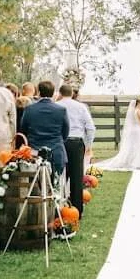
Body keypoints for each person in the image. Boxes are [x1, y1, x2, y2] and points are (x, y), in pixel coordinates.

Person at [57, 83, 96, 217]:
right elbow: (90, 127)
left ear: (60, 93)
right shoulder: (81, 107)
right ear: (72, 93)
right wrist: (88, 145)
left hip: (61, 142)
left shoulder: (57, 105)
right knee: (76, 176)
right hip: (76, 142)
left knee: (60, 174)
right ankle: (77, 210)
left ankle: (59, 207)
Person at [19, 79, 69, 177]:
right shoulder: (61, 110)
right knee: (56, 183)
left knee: (35, 184)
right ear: (53, 93)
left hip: (34, 152)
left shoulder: (29, 109)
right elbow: (65, 131)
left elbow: (23, 129)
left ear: (39, 92)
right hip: (56, 151)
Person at [96, 96, 140, 171]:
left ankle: (132, 162)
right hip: (138, 131)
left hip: (134, 130)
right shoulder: (138, 111)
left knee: (133, 146)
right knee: (138, 146)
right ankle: (137, 163)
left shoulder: (134, 111)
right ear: (138, 102)